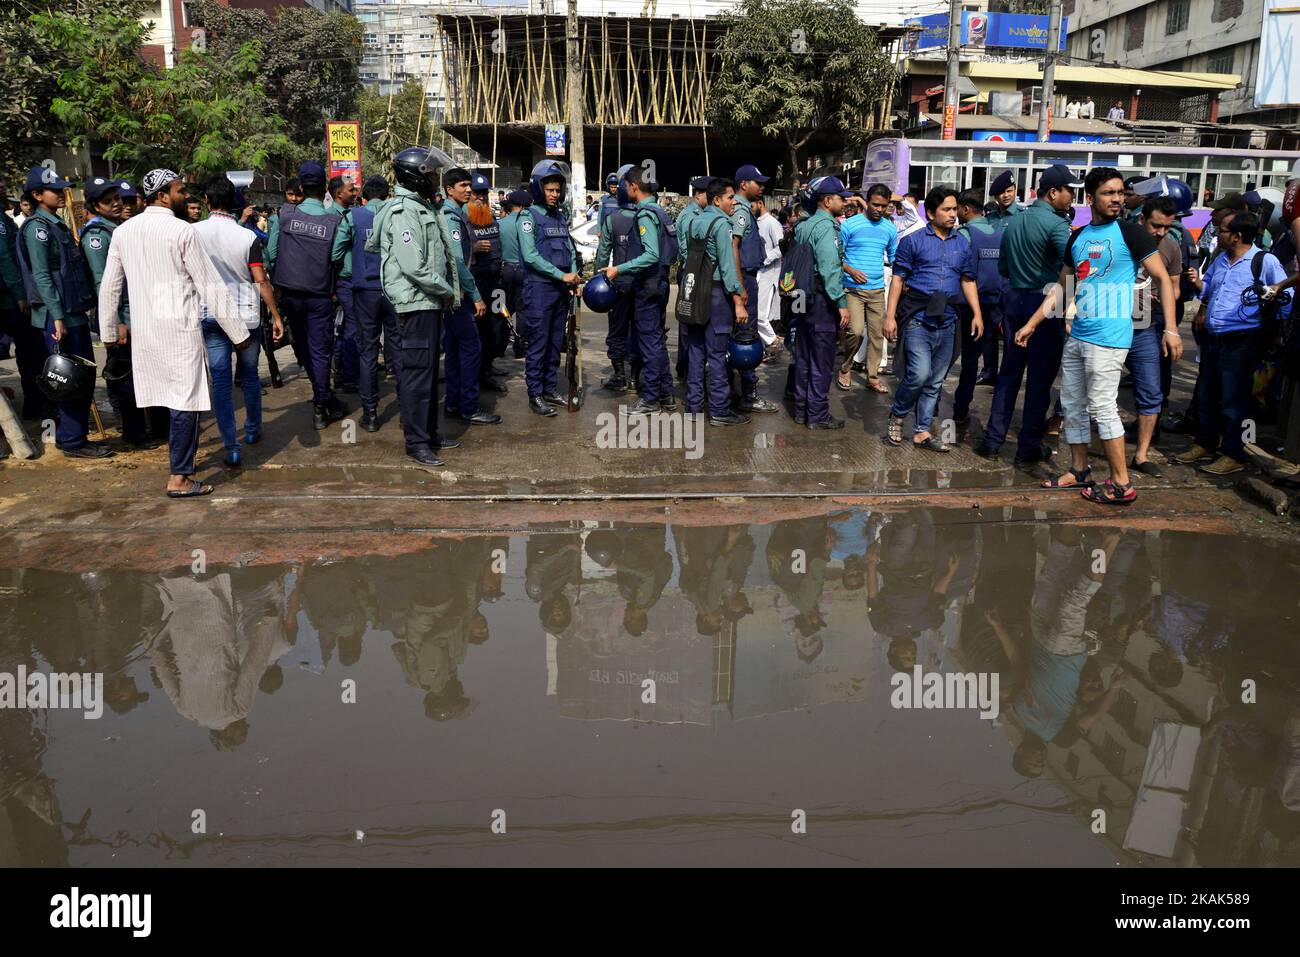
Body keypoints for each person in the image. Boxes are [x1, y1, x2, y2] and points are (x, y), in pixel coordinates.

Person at [1020, 167, 1179, 505]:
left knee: (1104, 408)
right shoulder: (1077, 237)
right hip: (1078, 335)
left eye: (1120, 192)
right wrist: (1032, 323)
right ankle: (1080, 470)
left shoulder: (1132, 233)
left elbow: (1164, 279)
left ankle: (1122, 483)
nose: (1118, 198)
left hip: (1109, 337)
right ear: (1090, 198)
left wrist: (1170, 329)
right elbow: (1063, 288)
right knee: (1073, 405)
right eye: (1109, 193)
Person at [97, 169, 254, 497]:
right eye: (180, 190)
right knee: (185, 403)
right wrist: (240, 335)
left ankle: (180, 467)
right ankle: (179, 478)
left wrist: (108, 332)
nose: (186, 196)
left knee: (164, 399)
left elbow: (110, 287)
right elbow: (211, 287)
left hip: (146, 334)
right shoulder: (182, 231)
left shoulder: (124, 232)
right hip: (180, 331)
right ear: (163, 195)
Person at [975, 164, 1080, 464]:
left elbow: (1004, 267)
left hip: (1015, 302)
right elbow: (1073, 267)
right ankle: (1028, 448)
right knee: (1038, 381)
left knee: (1008, 375)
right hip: (1044, 306)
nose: (1072, 197)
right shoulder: (1058, 226)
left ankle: (992, 441)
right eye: (1070, 191)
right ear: (1053, 192)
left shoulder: (1016, 222)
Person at [366, 146, 462, 468]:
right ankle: (416, 443)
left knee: (430, 373)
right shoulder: (404, 212)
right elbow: (414, 266)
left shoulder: (421, 207)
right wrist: (447, 290)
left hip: (427, 302)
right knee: (417, 377)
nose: (436, 178)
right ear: (415, 177)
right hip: (415, 304)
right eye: (431, 173)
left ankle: (429, 433)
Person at [1176, 211, 1287, 476]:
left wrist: (1280, 334)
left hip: (1242, 341)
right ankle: (1205, 443)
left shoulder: (1264, 261)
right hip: (1214, 339)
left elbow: (1286, 295)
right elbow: (1208, 289)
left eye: (1223, 231)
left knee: (1233, 400)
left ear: (1237, 236)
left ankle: (1233, 453)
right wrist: (1197, 281)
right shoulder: (1222, 260)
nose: (1218, 234)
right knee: (1207, 393)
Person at [16, 166, 109, 458]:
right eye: (54, 191)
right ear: (36, 195)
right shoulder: (37, 229)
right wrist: (56, 316)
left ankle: (76, 437)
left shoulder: (55, 224)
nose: (60, 195)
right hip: (58, 318)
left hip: (73, 312)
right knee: (67, 380)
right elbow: (41, 276)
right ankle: (71, 441)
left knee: (82, 378)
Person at [193, 174, 285, 468]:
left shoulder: (193, 233)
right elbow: (260, 279)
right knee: (249, 377)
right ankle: (253, 429)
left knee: (220, 380)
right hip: (246, 317)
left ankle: (231, 446)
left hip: (211, 315)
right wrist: (276, 314)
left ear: (207, 202)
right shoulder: (247, 237)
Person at [883, 186, 981, 451]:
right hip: (917, 317)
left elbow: (967, 279)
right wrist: (890, 317)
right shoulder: (913, 241)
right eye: (946, 210)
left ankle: (922, 431)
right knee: (918, 374)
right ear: (930, 213)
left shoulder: (962, 243)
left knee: (935, 381)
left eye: (954, 209)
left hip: (949, 319)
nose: (953, 215)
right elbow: (898, 279)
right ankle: (898, 413)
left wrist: (977, 315)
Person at [80, 176, 169, 449]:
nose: (117, 204)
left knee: (149, 375)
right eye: (108, 201)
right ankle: (134, 433)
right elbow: (101, 283)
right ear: (95, 205)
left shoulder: (118, 228)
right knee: (127, 380)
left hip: (140, 314)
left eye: (117, 198)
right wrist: (116, 321)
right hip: (123, 319)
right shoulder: (97, 235)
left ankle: (157, 428)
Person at [266, 160, 349, 430]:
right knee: (320, 351)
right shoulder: (333, 220)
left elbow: (272, 253)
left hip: (290, 294)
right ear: (324, 187)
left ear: (301, 187)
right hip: (319, 296)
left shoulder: (284, 215)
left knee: (303, 348)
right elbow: (336, 258)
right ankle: (322, 405)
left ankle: (322, 399)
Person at [596, 162, 674, 415]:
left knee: (649, 344)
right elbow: (674, 252)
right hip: (659, 283)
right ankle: (666, 394)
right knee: (657, 342)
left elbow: (651, 254)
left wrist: (620, 269)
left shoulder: (645, 214)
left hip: (647, 286)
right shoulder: (662, 212)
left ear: (632, 186)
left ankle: (650, 399)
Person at [684, 177, 749, 426]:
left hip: (695, 291)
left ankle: (694, 407)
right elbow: (728, 265)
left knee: (696, 352)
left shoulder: (693, 221)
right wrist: (738, 301)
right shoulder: (722, 224)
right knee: (718, 353)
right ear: (717, 199)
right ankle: (720, 411)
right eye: (731, 198)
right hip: (716, 294)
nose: (734, 202)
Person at [519, 160, 581, 417]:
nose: (555, 194)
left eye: (557, 190)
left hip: (560, 289)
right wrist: (561, 276)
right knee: (539, 343)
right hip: (539, 289)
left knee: (556, 342)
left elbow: (569, 248)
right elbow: (531, 256)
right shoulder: (527, 217)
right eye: (550, 190)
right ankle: (535, 393)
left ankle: (549, 387)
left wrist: (574, 277)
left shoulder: (560, 217)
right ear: (538, 188)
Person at [1126, 195, 1183, 477]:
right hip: (1111, 326)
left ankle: (1141, 454)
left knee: (1151, 391)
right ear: (1142, 219)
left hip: (1146, 328)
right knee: (1092, 388)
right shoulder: (1123, 238)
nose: (1160, 232)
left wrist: (1170, 328)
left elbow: (1174, 289)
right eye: (1155, 225)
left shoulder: (1171, 248)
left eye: (1166, 227)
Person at [792, 176, 854, 429]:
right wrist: (841, 302)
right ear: (827, 201)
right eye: (841, 198)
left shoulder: (803, 225)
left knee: (803, 356)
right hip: (820, 300)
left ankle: (800, 410)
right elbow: (829, 268)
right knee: (822, 360)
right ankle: (817, 415)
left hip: (801, 297)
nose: (845, 202)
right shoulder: (827, 227)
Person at [440, 167, 498, 426]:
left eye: (469, 186)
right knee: (471, 349)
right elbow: (458, 262)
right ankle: (469, 406)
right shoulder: (452, 218)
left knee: (454, 350)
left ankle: (454, 402)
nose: (468, 190)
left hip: (452, 294)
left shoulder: (454, 214)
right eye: (463, 185)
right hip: (459, 295)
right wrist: (475, 295)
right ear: (449, 189)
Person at [344, 175, 399, 433]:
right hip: (394, 291)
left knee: (367, 352)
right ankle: (407, 407)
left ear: (363, 197)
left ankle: (371, 414)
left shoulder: (354, 217)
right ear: (387, 196)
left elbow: (336, 252)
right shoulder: (397, 214)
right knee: (397, 347)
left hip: (364, 291)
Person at [728, 164, 779, 415]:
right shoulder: (740, 211)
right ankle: (748, 394)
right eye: (757, 182)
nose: (762, 186)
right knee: (747, 336)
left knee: (737, 335)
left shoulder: (742, 208)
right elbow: (733, 247)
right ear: (744, 184)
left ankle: (733, 390)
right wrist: (740, 288)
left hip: (746, 277)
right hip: (744, 278)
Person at [839, 183, 897, 395]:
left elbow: (893, 257)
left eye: (884, 206)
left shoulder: (890, 228)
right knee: (855, 332)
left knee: (877, 336)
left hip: (877, 290)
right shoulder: (849, 225)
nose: (879, 209)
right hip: (852, 289)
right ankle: (846, 366)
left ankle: (872, 377)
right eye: (875, 204)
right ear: (867, 201)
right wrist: (851, 270)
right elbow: (837, 256)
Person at [954, 190, 1005, 423]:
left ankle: (961, 409)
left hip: (971, 307)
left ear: (965, 209)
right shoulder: (1000, 231)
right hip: (998, 304)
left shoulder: (964, 234)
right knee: (998, 355)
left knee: (969, 360)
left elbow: (958, 270)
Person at [0, 179, 45, 421]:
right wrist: (19, 294)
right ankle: (35, 406)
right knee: (31, 351)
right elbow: (5, 259)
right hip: (9, 300)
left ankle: (33, 406)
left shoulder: (4, 217)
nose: (1, 184)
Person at [467, 171, 507, 396]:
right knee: (478, 330)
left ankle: (488, 366)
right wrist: (472, 249)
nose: (481, 198)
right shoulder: (462, 221)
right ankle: (479, 374)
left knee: (497, 327)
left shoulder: (492, 220)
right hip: (477, 286)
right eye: (476, 194)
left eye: (484, 193)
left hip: (496, 283)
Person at [674, 176, 712, 378]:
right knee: (690, 319)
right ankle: (687, 365)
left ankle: (687, 364)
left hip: (692, 271)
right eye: (709, 193)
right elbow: (690, 250)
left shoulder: (697, 213)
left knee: (691, 319)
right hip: (692, 272)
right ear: (698, 194)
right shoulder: (691, 216)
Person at [327, 174, 360, 394]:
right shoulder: (334, 218)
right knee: (352, 328)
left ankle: (341, 372)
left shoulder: (347, 214)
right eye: (351, 189)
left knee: (346, 327)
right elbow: (331, 254)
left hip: (346, 280)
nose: (355, 192)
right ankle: (348, 376)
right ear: (339, 194)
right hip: (341, 280)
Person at [498, 188, 531, 358]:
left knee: (503, 309)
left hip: (506, 270)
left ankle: (500, 345)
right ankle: (520, 346)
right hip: (524, 271)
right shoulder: (529, 223)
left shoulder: (500, 224)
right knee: (524, 310)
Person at [755, 199, 784, 358]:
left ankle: (773, 342)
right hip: (757, 273)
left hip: (769, 274)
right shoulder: (753, 221)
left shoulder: (772, 223)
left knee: (760, 316)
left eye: (752, 205)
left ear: (760, 203)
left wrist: (763, 259)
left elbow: (781, 247)